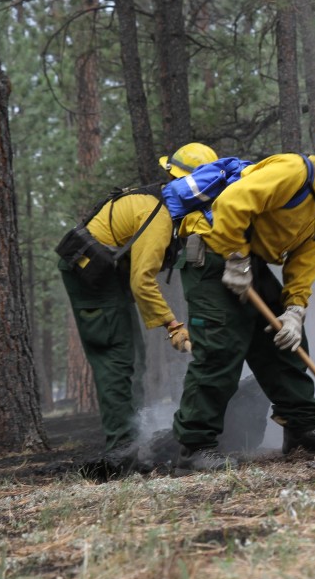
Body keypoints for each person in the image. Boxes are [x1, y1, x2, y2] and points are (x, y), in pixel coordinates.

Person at [170, 119, 315, 471]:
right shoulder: (293, 172)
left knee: (287, 341)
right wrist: (234, 258)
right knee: (220, 348)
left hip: (248, 260)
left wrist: (294, 309)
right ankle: (194, 446)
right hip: (213, 253)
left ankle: (301, 428)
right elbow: (231, 206)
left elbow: (305, 262)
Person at [59, 142, 218, 474]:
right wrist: (173, 326)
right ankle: (122, 450)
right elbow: (142, 281)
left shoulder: (165, 206)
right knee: (116, 358)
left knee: (134, 357)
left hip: (108, 276)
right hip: (91, 276)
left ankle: (134, 437)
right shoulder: (157, 215)